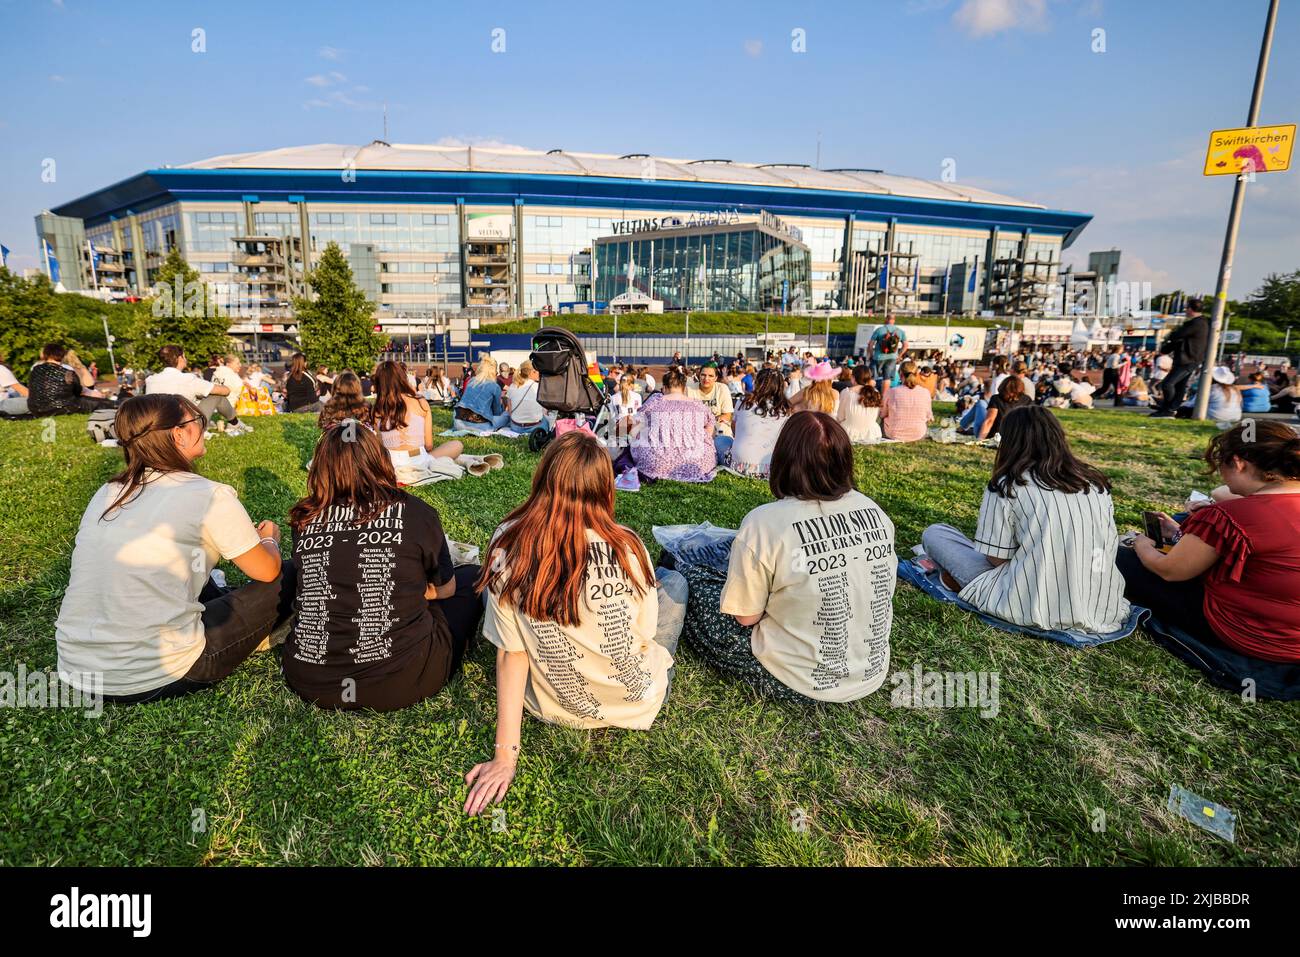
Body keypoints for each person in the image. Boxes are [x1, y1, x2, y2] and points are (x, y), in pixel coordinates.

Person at [464, 431, 689, 813]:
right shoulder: (628, 545)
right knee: (675, 583)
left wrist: (506, 756)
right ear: (605, 488)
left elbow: (511, 655)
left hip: (553, 705)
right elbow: (645, 634)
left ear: (543, 478)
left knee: (496, 587)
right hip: (637, 700)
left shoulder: (506, 544)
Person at [55, 394, 294, 703]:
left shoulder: (107, 493)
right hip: (165, 671)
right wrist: (269, 539)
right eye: (200, 421)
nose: (204, 428)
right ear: (179, 434)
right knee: (291, 571)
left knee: (194, 570)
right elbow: (267, 570)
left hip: (80, 670)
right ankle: (259, 634)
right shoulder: (209, 495)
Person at [681, 411, 896, 703]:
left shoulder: (764, 522)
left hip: (797, 680)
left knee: (692, 583)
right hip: (870, 670)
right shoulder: (875, 512)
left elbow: (746, 618)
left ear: (783, 459)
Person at [283, 420, 482, 710]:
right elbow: (447, 589)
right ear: (380, 459)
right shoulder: (417, 512)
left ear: (321, 467)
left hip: (309, 676)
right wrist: (422, 592)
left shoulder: (304, 518)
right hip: (404, 678)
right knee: (472, 577)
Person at [1116, 420, 1300, 699]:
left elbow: (1170, 571)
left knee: (1123, 560)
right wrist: (1184, 536)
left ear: (1238, 463)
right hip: (1291, 637)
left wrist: (1139, 544)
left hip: (1249, 634)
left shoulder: (1236, 515)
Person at [922, 405, 1130, 633]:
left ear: (1009, 441)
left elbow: (997, 559)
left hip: (1026, 604)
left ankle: (957, 580)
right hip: (1100, 604)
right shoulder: (1095, 483)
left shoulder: (1009, 484)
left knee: (936, 533)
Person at [630, 367, 716, 483]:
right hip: (698, 463)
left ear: (664, 388)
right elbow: (710, 424)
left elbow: (635, 428)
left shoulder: (655, 402)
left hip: (657, 463)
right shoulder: (698, 405)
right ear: (684, 388)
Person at [370, 360, 463, 464]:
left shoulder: (377, 408)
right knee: (457, 445)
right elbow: (429, 445)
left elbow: (381, 447)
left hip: (391, 463)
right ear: (402, 378)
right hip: (418, 459)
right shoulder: (420, 402)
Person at [145, 345, 248, 434]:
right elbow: (225, 391)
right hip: (186, 428)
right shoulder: (188, 379)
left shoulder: (150, 380)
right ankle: (234, 423)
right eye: (184, 356)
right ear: (180, 358)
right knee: (216, 395)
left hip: (159, 427)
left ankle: (231, 423)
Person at [726, 367, 791, 478]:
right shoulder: (786, 408)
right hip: (773, 467)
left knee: (722, 440)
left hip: (740, 465)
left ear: (757, 382)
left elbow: (734, 428)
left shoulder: (744, 401)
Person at [1151, 298, 1210, 417]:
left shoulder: (1197, 323)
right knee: (1179, 385)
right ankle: (1171, 408)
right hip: (1187, 358)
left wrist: (1171, 337)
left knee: (1168, 384)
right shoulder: (1200, 322)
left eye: (1187, 308)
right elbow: (1178, 339)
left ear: (1191, 309)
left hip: (1188, 359)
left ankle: (1168, 409)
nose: (1185, 311)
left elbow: (1177, 335)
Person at [28, 342, 112, 416]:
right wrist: (97, 395)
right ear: (62, 355)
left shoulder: (35, 370)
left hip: (36, 409)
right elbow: (79, 391)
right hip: (62, 407)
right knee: (103, 403)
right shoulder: (67, 372)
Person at [688, 362, 735, 461]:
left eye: (710, 376)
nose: (706, 379)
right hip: (697, 429)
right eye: (703, 375)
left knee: (721, 438)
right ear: (698, 375)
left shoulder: (722, 388)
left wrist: (709, 423)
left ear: (716, 378)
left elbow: (727, 415)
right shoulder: (690, 389)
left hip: (718, 428)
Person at [453, 355, 511, 433]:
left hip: (458, 423)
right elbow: (497, 413)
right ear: (493, 371)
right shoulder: (495, 387)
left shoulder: (471, 381)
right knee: (506, 415)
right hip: (480, 426)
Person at [880, 360, 933, 441]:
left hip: (894, 434)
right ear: (916, 374)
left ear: (900, 374)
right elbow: (928, 416)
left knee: (883, 420)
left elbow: (883, 414)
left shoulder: (891, 392)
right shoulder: (925, 392)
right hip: (918, 434)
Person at [836, 365, 883, 444]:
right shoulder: (875, 392)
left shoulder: (847, 392)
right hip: (871, 434)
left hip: (850, 434)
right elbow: (876, 415)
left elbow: (840, 417)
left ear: (853, 378)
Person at [978, 374, 1032, 440]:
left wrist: (980, 439)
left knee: (980, 403)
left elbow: (990, 420)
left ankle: (964, 426)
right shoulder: (1027, 399)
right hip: (1018, 436)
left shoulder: (996, 398)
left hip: (997, 435)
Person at [505, 359, 548, 433]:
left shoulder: (512, 386)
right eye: (537, 371)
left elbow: (510, 411)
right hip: (536, 428)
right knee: (547, 418)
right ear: (532, 372)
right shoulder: (539, 387)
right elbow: (545, 411)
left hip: (515, 427)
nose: (539, 373)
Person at [607, 372, 643, 448]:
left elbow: (611, 418)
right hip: (633, 429)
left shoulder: (612, 398)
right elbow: (639, 415)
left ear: (620, 383)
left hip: (618, 431)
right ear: (632, 385)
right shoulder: (638, 396)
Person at [869, 316, 907, 383]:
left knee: (872, 377)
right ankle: (885, 393)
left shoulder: (879, 330)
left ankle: (873, 392)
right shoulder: (900, 331)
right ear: (894, 320)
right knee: (887, 379)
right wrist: (899, 356)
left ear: (886, 319)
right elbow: (905, 345)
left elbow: (870, 344)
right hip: (892, 358)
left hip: (878, 357)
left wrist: (872, 355)